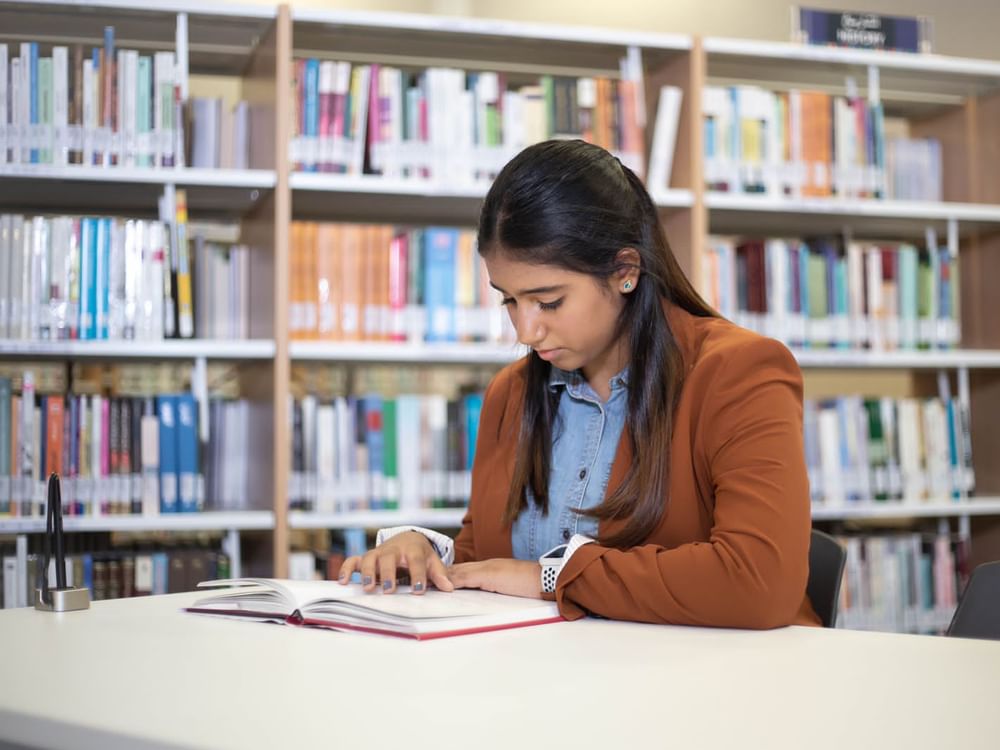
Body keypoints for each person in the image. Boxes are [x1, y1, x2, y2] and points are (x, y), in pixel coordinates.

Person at [338, 139, 821, 629]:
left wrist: (553, 578)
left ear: (625, 271)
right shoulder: (511, 393)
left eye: (548, 302)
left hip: (707, 673)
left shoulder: (738, 373)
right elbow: (490, 562)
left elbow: (759, 581)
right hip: (556, 670)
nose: (526, 332)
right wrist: (425, 556)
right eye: (509, 301)